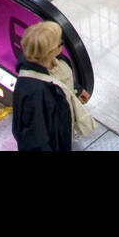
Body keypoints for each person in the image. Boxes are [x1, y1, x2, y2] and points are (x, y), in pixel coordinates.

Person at [12, 20, 91, 151]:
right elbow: (34, 139)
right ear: (49, 51)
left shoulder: (56, 60)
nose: (62, 44)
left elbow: (61, 81)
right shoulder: (32, 92)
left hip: (61, 130)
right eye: (59, 43)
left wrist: (76, 89)